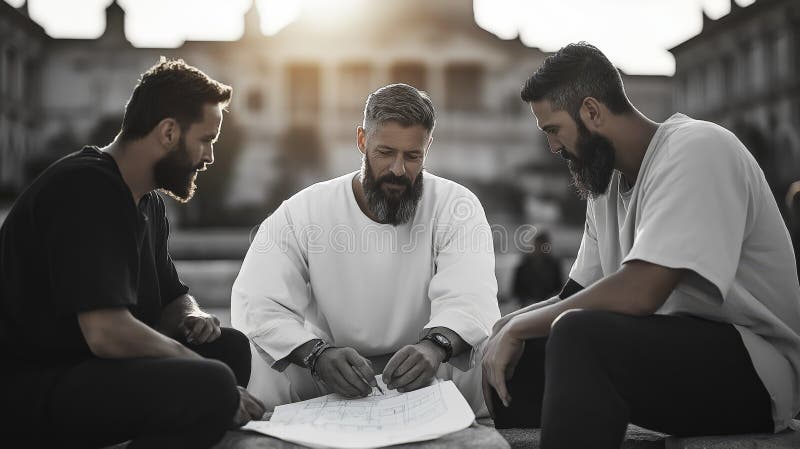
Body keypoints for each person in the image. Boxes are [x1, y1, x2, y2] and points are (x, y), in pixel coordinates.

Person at [482, 42, 800, 449]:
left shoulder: (697, 148)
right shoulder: (604, 187)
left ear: (592, 112)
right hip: (671, 350)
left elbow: (642, 291)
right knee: (519, 355)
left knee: (577, 335)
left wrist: (519, 326)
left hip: (759, 371)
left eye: (553, 130)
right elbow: (574, 296)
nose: (553, 148)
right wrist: (505, 328)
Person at [0, 58, 265, 449]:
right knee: (212, 383)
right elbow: (105, 333)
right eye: (206, 140)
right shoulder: (86, 187)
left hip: (90, 371)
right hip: (32, 389)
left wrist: (191, 315)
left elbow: (174, 298)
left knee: (229, 349)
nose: (209, 156)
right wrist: (200, 370)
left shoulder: (146, 201)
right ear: (168, 132)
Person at [231, 83, 499, 415]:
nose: (398, 169)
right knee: (266, 356)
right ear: (362, 140)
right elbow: (258, 300)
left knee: (483, 348)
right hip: (327, 373)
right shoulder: (304, 210)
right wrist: (316, 355)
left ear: (427, 147)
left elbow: (472, 296)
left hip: (427, 368)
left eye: (412, 156)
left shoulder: (456, 204)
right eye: (385, 152)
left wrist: (435, 346)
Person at [511, 231, 563, 306]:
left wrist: (548, 301)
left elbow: (558, 289)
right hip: (527, 306)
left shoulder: (554, 265)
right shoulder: (523, 266)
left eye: (543, 244)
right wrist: (527, 302)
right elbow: (516, 292)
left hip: (548, 305)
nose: (540, 247)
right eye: (538, 244)